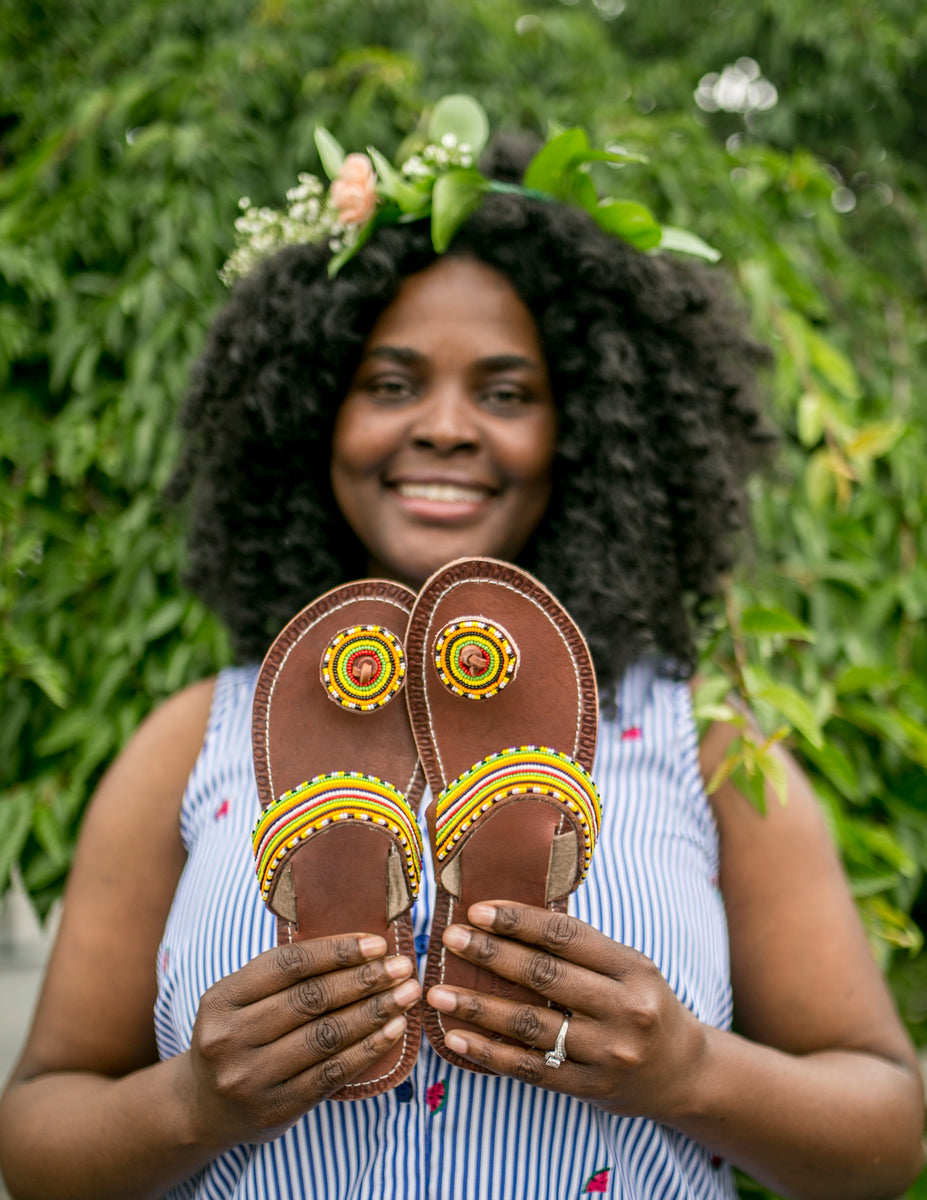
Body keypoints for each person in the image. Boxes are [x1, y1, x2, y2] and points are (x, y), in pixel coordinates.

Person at [0, 107, 923, 1200]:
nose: (444, 426)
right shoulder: (193, 738)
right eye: (390, 385)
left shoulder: (698, 740)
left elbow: (888, 1128)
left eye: (506, 392)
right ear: (309, 418)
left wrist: (689, 1072)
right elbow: (38, 1135)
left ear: (587, 431)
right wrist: (196, 1102)